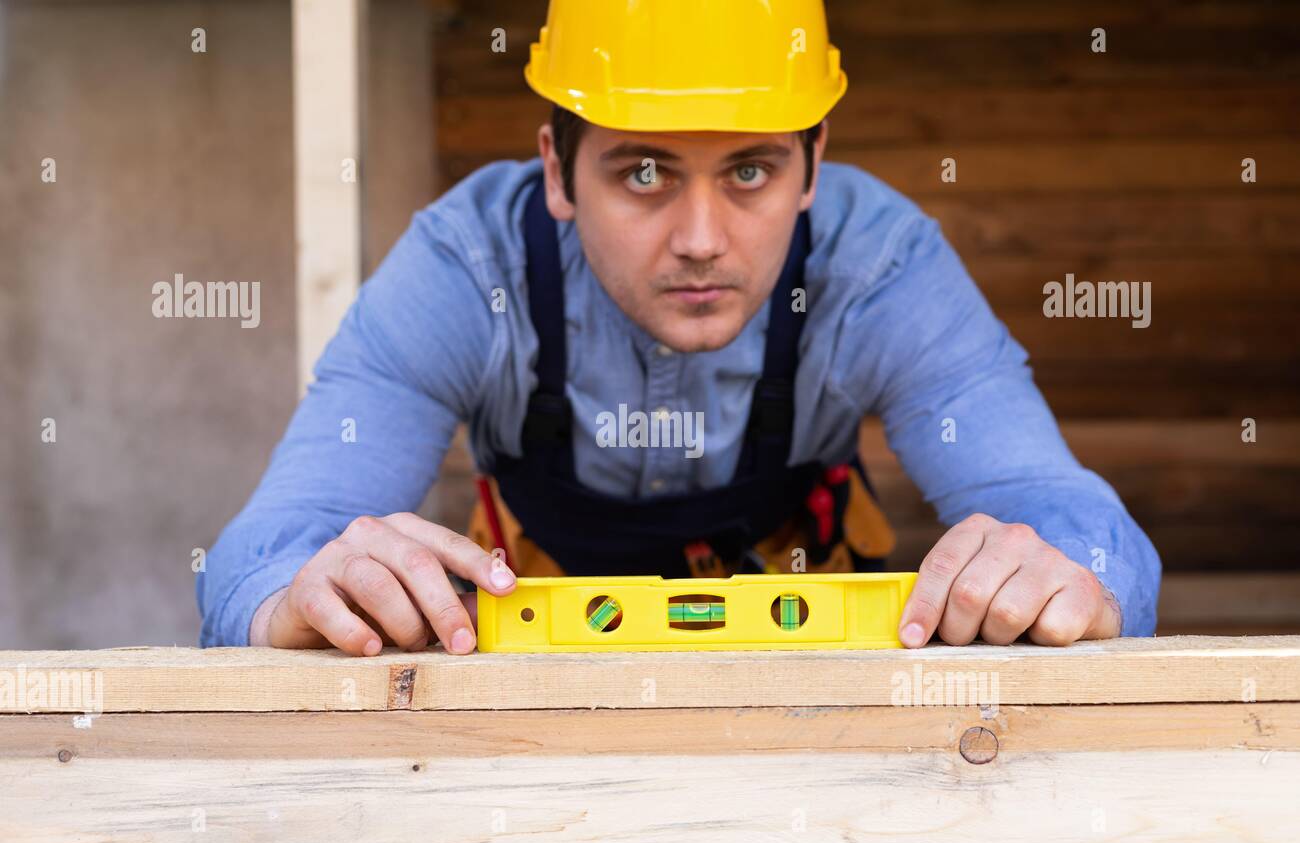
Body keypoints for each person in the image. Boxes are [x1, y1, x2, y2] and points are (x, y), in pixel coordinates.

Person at [198, 0, 1160, 654]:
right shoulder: (464, 269)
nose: (702, 242)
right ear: (556, 169)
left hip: (801, 638)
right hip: (545, 660)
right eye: (644, 173)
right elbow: (266, 552)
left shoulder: (881, 265)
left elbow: (1064, 510)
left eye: (750, 171)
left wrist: (1073, 573)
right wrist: (301, 597)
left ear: (814, 164)